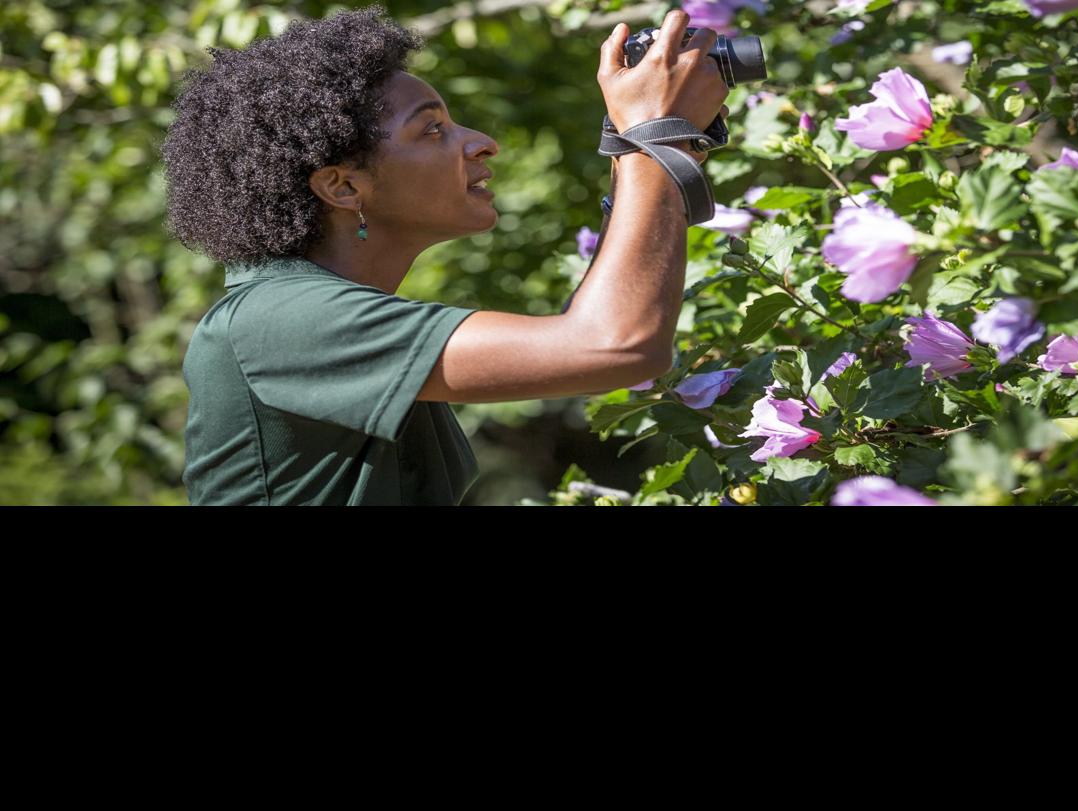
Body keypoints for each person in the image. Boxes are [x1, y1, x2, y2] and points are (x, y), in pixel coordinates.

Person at [166, 5, 730, 504]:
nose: (482, 140)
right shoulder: (275, 322)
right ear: (342, 188)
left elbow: (609, 332)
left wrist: (642, 145)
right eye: (432, 129)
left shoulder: (306, 311)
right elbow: (615, 346)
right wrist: (652, 138)